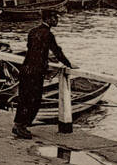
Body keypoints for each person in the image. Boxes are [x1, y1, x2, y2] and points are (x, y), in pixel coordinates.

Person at [12, 10, 72, 139]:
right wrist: (69, 64)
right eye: (55, 18)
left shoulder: (32, 31)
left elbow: (32, 48)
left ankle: (19, 124)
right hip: (35, 71)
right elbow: (57, 51)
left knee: (24, 98)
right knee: (34, 100)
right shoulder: (48, 34)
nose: (57, 20)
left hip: (26, 68)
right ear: (48, 19)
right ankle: (21, 126)